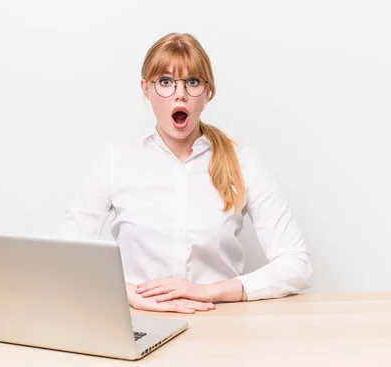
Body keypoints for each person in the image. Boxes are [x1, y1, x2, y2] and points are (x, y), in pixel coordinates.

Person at [56, 33, 312, 314]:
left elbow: (296, 264)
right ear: (146, 89)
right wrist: (127, 293)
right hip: (138, 319)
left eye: (192, 82)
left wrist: (208, 291)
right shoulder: (116, 160)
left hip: (220, 320)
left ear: (208, 91)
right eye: (165, 82)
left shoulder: (244, 163)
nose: (180, 93)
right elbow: (66, 253)